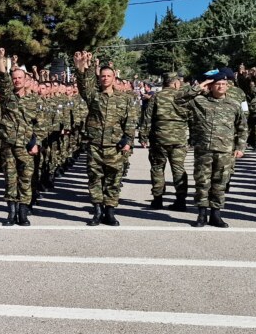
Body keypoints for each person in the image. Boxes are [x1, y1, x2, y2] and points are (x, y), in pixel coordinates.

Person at [73, 51, 138, 226]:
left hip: (115, 146)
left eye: (109, 76)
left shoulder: (124, 99)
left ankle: (110, 211)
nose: (105, 78)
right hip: (95, 145)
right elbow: (83, 86)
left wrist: (128, 141)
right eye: (102, 76)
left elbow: (130, 121)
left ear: (114, 77)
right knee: (95, 179)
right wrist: (80, 67)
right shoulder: (94, 96)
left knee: (113, 180)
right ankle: (97, 211)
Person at [178, 72, 247, 228]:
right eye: (217, 83)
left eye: (223, 84)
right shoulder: (200, 101)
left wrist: (240, 147)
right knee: (202, 182)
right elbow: (179, 99)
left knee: (220, 183)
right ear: (211, 85)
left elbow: (242, 128)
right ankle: (201, 214)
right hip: (204, 150)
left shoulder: (234, 104)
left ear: (228, 86)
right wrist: (200, 86)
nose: (220, 86)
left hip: (225, 151)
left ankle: (216, 214)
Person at [0, 47, 40, 226]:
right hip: (8, 145)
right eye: (15, 78)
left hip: (26, 146)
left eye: (20, 78)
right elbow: (3, 80)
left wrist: (36, 142)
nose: (17, 81)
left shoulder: (34, 100)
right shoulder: (7, 97)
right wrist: (1, 60)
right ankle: (11, 213)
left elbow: (40, 124)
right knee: (10, 179)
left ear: (26, 80)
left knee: (26, 179)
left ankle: (23, 213)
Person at [138, 72, 189, 211]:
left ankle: (158, 200)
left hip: (159, 139)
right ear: (176, 83)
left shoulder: (157, 97)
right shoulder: (182, 96)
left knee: (157, 168)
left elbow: (147, 117)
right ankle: (181, 201)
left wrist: (143, 137)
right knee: (179, 169)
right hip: (178, 139)